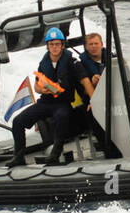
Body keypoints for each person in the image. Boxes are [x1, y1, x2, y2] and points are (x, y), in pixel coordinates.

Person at [9, 27, 91, 167]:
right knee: (17, 121)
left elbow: (85, 81)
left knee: (61, 117)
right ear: (47, 46)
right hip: (45, 102)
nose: (54, 47)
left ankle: (55, 155)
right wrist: (42, 89)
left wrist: (93, 100)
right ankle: (19, 156)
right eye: (51, 44)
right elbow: (36, 86)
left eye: (57, 44)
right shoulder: (44, 63)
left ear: (62, 45)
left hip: (63, 103)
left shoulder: (71, 62)